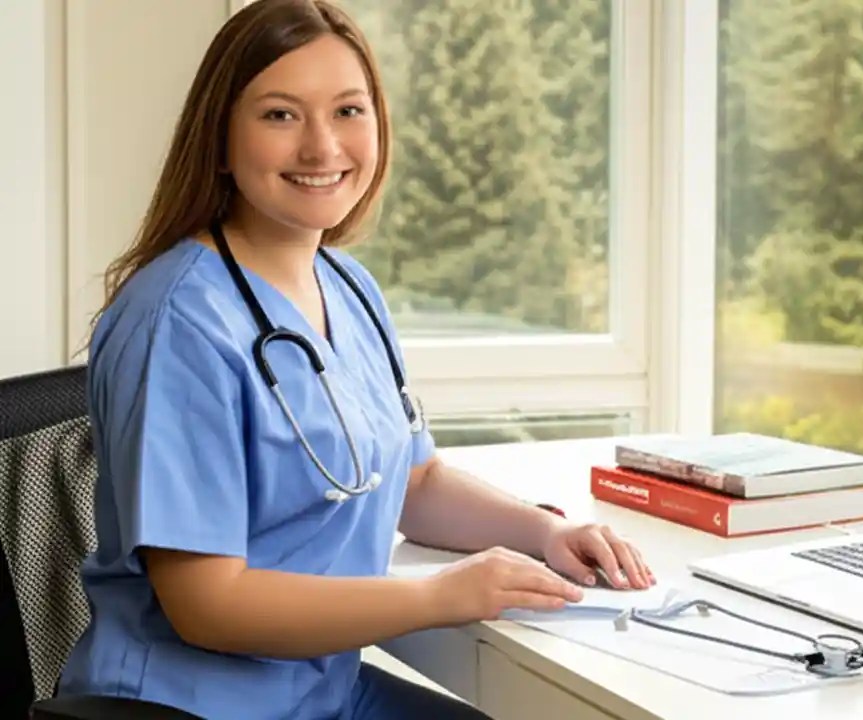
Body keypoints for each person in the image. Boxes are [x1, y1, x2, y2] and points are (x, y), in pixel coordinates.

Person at [56, 1, 655, 718]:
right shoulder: (178, 322)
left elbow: (413, 480)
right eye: (280, 115)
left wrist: (546, 532)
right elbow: (207, 606)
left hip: (321, 693)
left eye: (348, 111)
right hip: (189, 707)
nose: (322, 148)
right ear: (218, 140)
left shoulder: (348, 287)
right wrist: (439, 595)